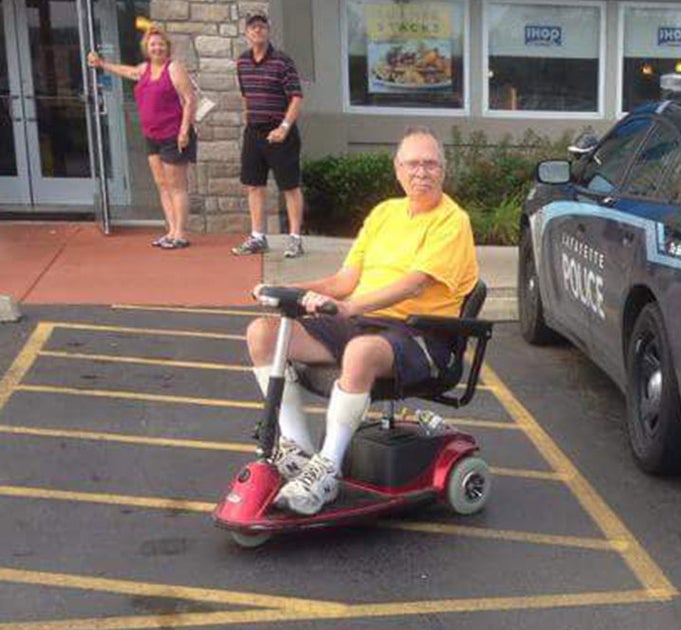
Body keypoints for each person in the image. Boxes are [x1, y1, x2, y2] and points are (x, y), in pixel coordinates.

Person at [245, 128, 478, 515]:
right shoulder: (384, 214)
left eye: (430, 163)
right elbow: (343, 282)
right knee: (263, 334)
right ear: (397, 169)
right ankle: (300, 452)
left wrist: (350, 308)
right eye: (413, 163)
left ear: (443, 170)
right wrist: (286, 289)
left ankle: (327, 471)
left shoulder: (453, 221)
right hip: (363, 321)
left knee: (360, 351)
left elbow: (413, 284)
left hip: (422, 333)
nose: (421, 172)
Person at [88, 26, 195, 249]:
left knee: (177, 186)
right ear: (147, 48)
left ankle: (180, 234)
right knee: (162, 184)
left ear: (167, 47)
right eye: (152, 44)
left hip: (173, 136)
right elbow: (127, 71)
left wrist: (184, 131)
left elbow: (189, 100)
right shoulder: (144, 69)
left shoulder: (173, 68)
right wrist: (102, 64)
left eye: (160, 44)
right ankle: (170, 230)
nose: (157, 47)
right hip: (152, 135)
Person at [232, 11, 306, 258]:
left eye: (262, 27)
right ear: (246, 33)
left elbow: (296, 97)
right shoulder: (242, 62)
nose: (257, 31)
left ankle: (295, 239)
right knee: (254, 186)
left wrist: (284, 127)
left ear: (268, 30)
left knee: (290, 186)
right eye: (253, 27)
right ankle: (257, 237)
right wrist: (248, 121)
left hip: (280, 132)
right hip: (254, 132)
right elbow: (246, 95)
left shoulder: (282, 61)